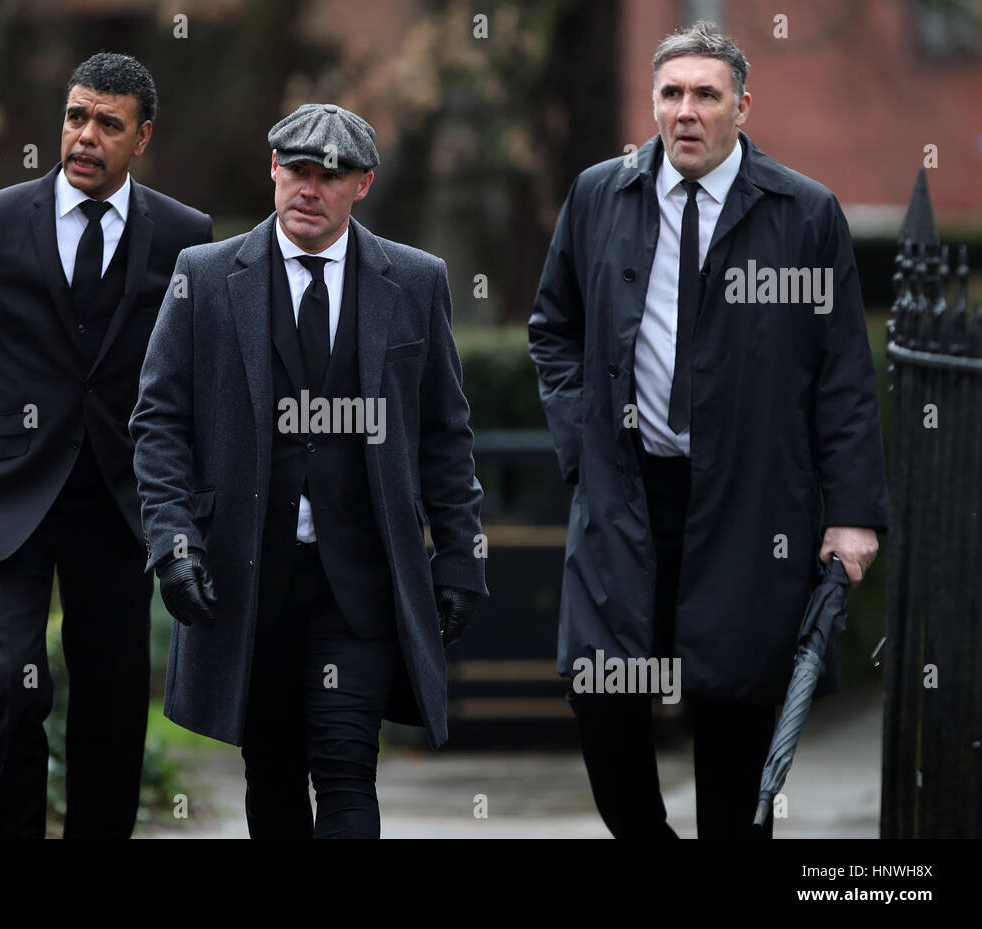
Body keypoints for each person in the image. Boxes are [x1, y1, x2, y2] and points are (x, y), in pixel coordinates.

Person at [527, 21, 888, 839]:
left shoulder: (803, 213)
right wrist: (585, 442)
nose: (685, 112)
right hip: (626, 497)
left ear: (741, 106)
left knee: (734, 715)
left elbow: (842, 374)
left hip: (752, 505)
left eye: (705, 95)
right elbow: (553, 326)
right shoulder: (600, 194)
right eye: (671, 93)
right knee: (603, 690)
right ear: (653, 103)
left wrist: (854, 512)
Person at [130, 103, 486, 838]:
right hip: (249, 579)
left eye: (331, 176)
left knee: (349, 769)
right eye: (297, 170)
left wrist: (460, 559)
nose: (309, 188)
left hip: (360, 580)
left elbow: (445, 435)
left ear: (364, 183)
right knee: (275, 778)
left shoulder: (416, 281)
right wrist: (174, 542)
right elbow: (158, 421)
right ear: (272, 170)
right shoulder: (204, 276)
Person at [0, 52, 212, 838]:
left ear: (142, 138)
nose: (86, 135)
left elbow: (198, 388)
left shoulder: (184, 236)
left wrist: (193, 512)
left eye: (109, 123)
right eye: (76, 116)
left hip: (118, 501)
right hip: (4, 497)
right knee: (5, 683)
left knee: (110, 698)